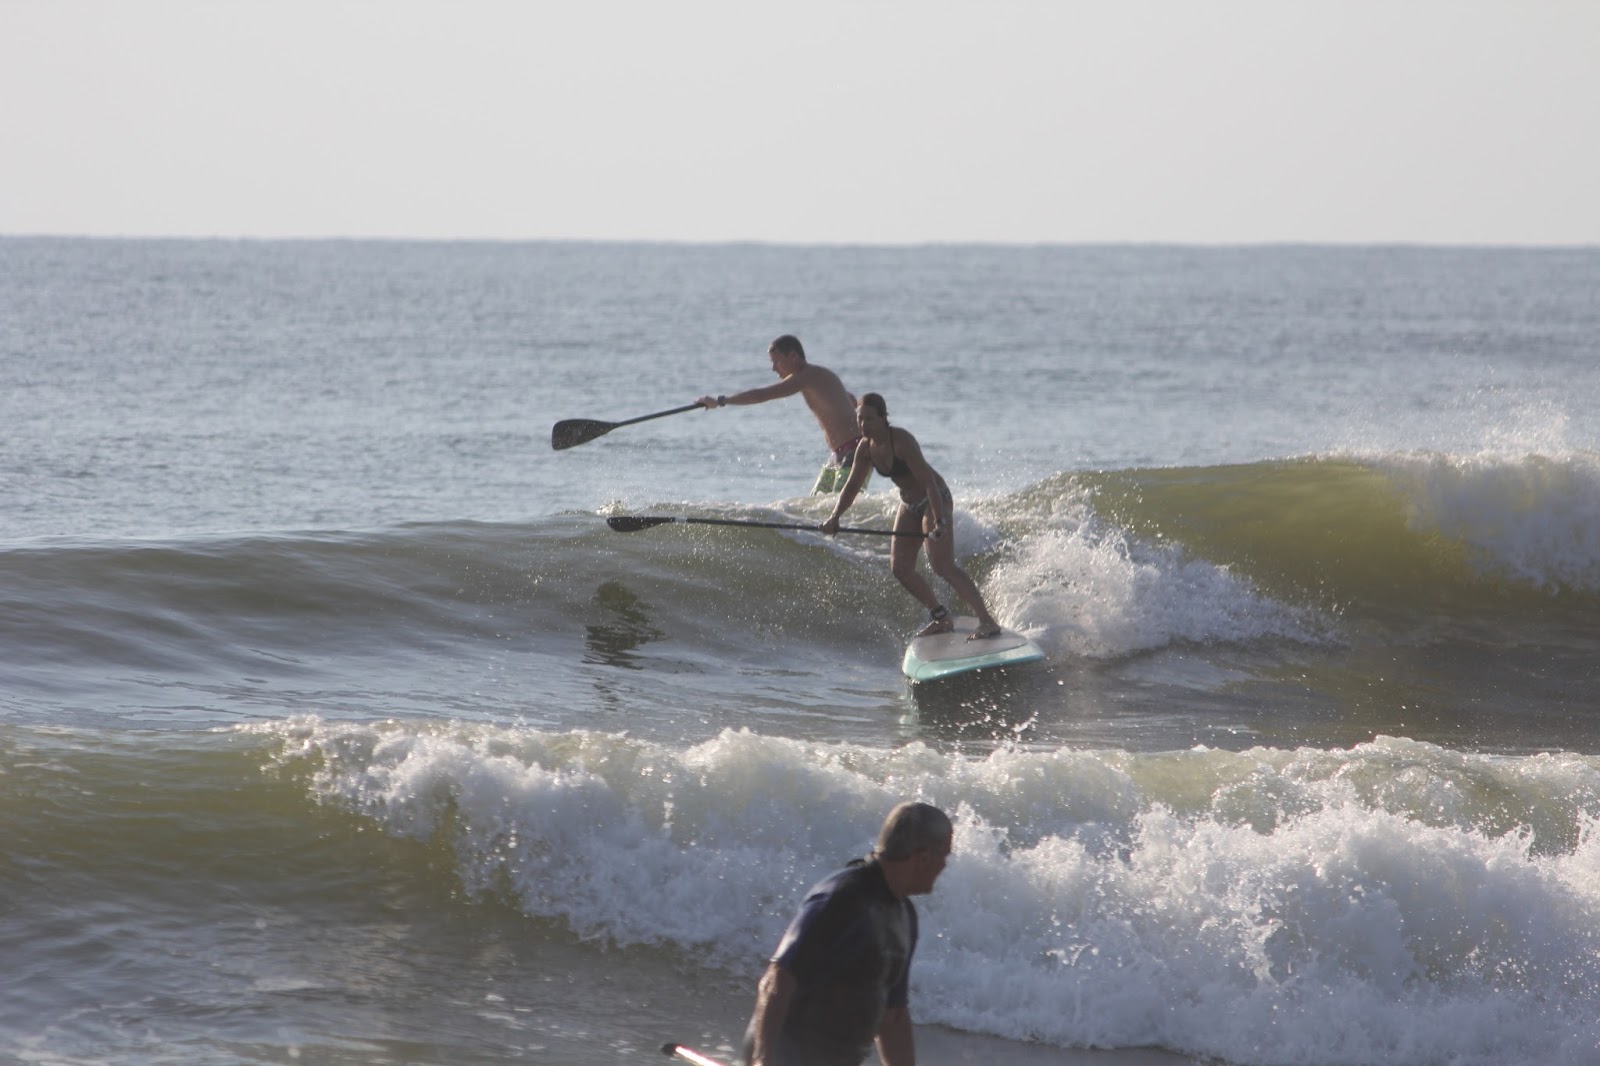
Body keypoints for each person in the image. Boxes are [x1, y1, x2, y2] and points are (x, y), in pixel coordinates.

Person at [743, 802, 954, 1066]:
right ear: (923, 857)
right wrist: (763, 1060)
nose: (945, 865)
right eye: (944, 855)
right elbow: (777, 981)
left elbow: (893, 1016)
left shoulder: (904, 916)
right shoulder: (842, 896)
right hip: (787, 1054)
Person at [822, 393, 1002, 640]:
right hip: (909, 503)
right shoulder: (865, 448)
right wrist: (835, 517)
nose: (863, 425)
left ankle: (987, 621)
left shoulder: (902, 441)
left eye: (869, 419)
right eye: (860, 419)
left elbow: (928, 482)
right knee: (900, 568)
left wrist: (940, 521)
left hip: (934, 497)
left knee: (942, 565)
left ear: (884, 418)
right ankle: (941, 617)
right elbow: (852, 486)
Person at [697, 335, 867, 494]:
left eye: (776, 362)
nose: (773, 368)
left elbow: (762, 395)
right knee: (816, 505)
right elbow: (850, 400)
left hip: (855, 452)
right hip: (838, 453)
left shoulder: (807, 376)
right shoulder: (819, 376)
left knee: (838, 507)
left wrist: (720, 401)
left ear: (793, 356)